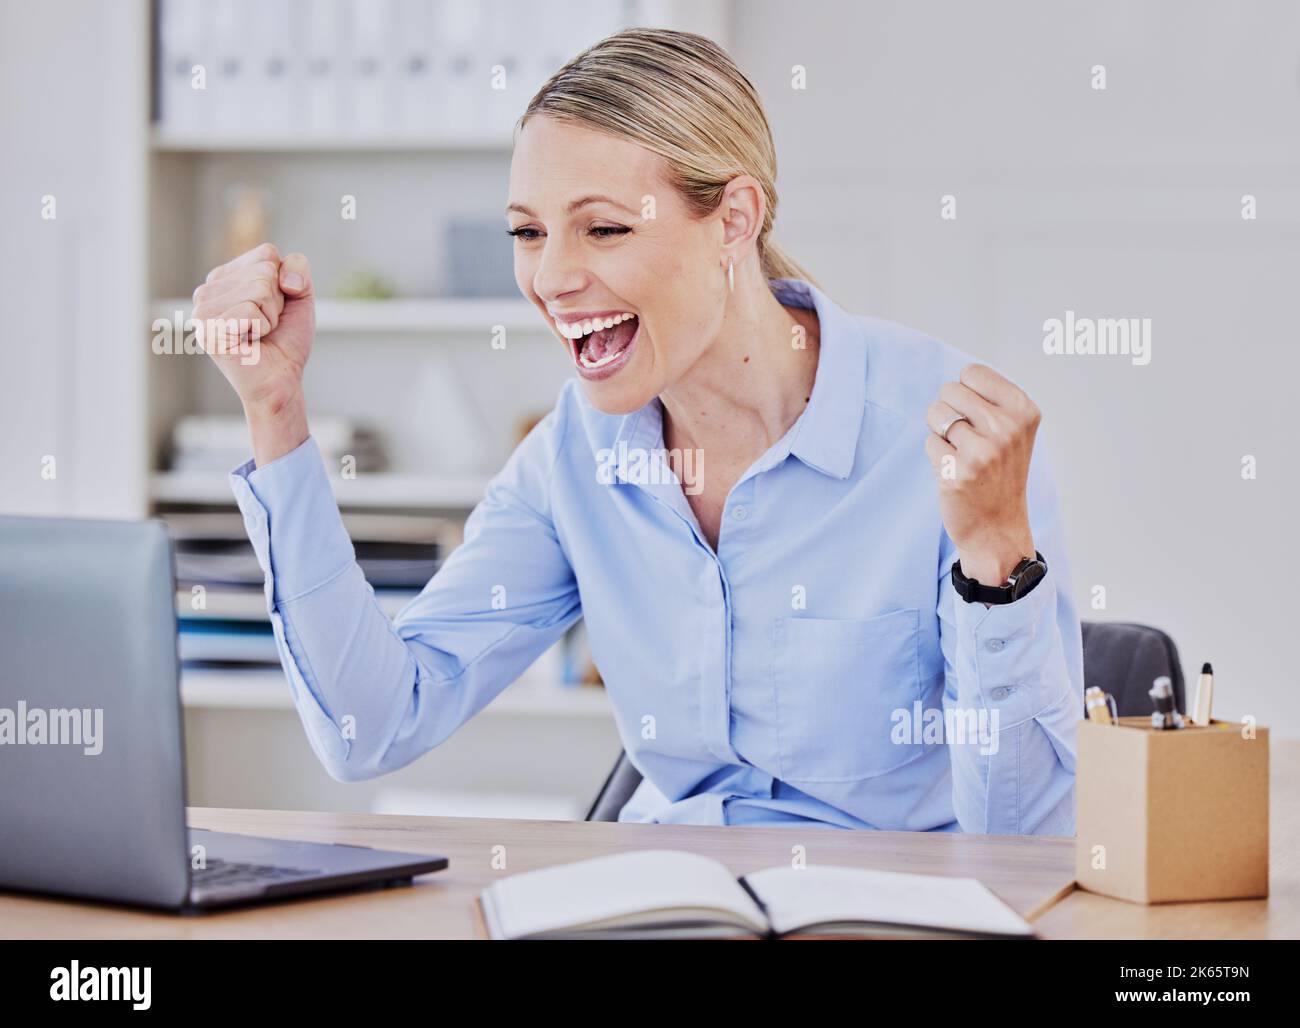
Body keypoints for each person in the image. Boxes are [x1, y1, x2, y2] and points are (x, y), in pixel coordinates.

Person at [191, 28, 1082, 833]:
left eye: (603, 229)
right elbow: (370, 727)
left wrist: (999, 559)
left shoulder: (951, 442)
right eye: (528, 232)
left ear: (735, 220)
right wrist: (275, 411)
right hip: (671, 902)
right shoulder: (571, 461)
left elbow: (1027, 836)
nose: (551, 277)